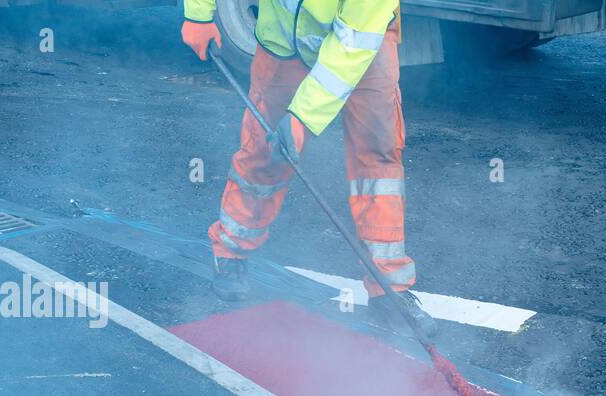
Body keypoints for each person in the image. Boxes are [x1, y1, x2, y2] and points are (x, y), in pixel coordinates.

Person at [181, 1, 435, 333]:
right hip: (284, 43)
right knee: (264, 149)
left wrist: (303, 117)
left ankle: (388, 287)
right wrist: (197, 14)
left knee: (377, 155)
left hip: (362, 43)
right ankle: (231, 250)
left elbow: (349, 49)